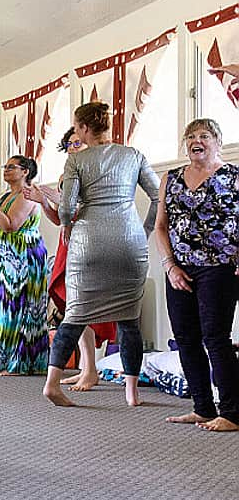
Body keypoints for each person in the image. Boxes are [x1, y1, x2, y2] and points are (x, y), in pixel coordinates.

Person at [42, 102, 159, 408]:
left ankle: (52, 384)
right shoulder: (133, 155)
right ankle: (132, 393)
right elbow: (160, 196)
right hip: (128, 242)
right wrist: (144, 230)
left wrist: (67, 226)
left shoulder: (77, 161)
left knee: (75, 315)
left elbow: (66, 206)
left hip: (89, 244)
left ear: (82, 128)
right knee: (129, 320)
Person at [153, 118, 239, 431]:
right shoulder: (170, 178)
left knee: (215, 338)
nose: (195, 141)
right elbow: (160, 227)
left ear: (218, 141)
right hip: (178, 268)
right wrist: (170, 265)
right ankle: (202, 407)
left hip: (220, 266)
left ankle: (232, 413)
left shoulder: (233, 177)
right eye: (190, 136)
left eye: (203, 135)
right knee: (186, 339)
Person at [24, 127, 118, 389]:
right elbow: (59, 219)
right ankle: (86, 367)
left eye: (78, 143)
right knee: (71, 307)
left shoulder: (99, 174)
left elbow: (93, 209)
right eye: (69, 145)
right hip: (69, 243)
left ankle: (90, 369)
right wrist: (44, 202)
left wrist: (60, 199)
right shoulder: (65, 175)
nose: (73, 148)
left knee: (85, 306)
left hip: (91, 243)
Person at [0, 154, 48, 375]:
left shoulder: (27, 195)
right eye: (5, 166)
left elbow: (10, 226)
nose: (6, 170)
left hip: (24, 257)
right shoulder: (6, 197)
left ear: (25, 172)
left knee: (20, 307)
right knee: (3, 307)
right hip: (6, 260)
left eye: (12, 167)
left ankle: (20, 362)